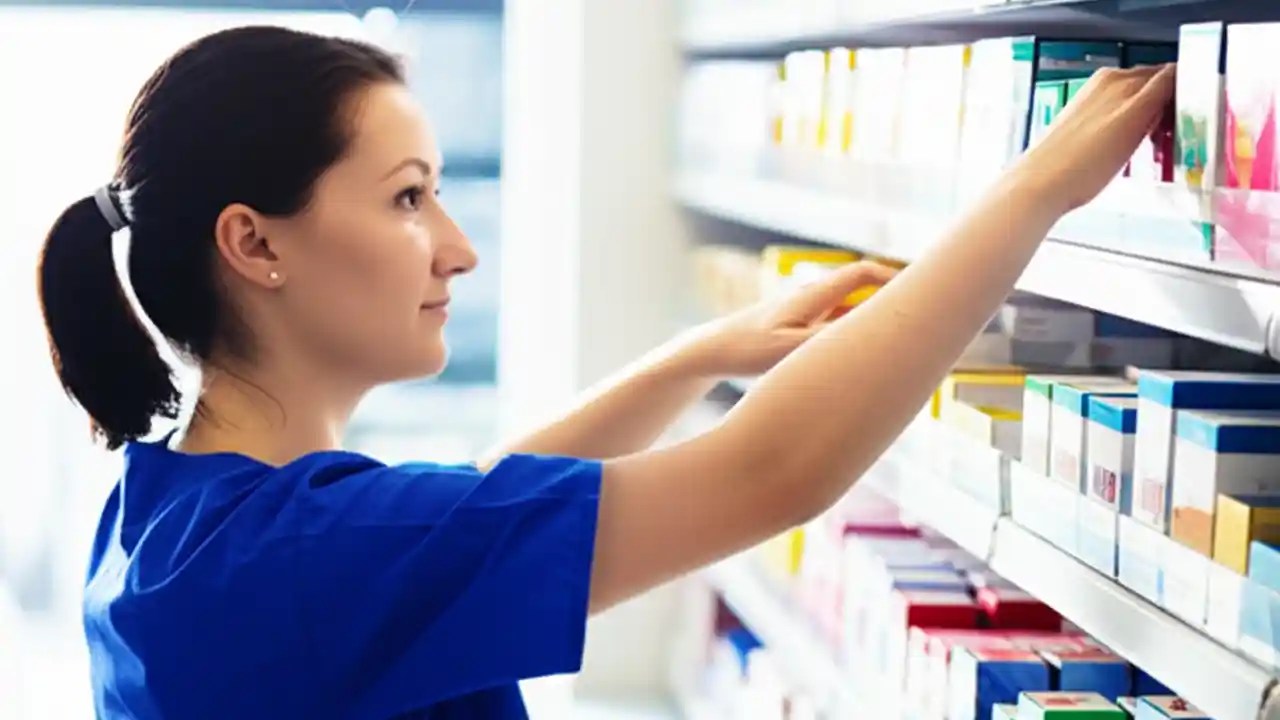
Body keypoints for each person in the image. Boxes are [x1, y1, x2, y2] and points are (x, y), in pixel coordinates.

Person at [36, 25, 1174, 720]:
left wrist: (705, 351)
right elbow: (774, 469)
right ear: (256, 243)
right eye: (405, 197)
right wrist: (1032, 196)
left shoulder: (168, 515)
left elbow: (463, 521)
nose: (455, 245)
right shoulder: (298, 560)